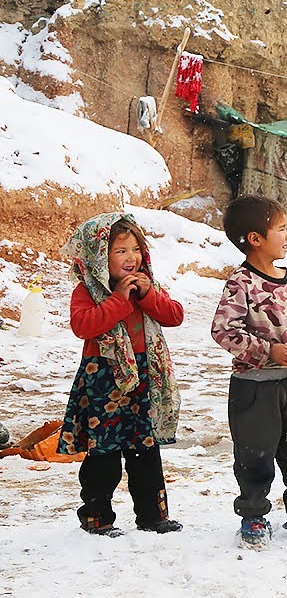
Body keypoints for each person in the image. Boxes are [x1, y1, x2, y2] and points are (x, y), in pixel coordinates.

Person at [212, 195, 287, 549]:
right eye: (280, 228)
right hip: (253, 388)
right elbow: (223, 330)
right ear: (255, 238)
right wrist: (268, 351)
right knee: (254, 455)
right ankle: (253, 515)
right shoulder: (241, 283)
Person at [57, 213, 184, 536]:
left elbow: (174, 316)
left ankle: (152, 516)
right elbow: (83, 326)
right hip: (103, 380)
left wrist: (148, 296)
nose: (131, 258)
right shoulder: (88, 291)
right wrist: (118, 300)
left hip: (144, 376)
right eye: (120, 251)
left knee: (146, 449)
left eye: (136, 249)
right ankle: (97, 516)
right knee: (104, 452)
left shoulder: (146, 288)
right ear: (100, 257)